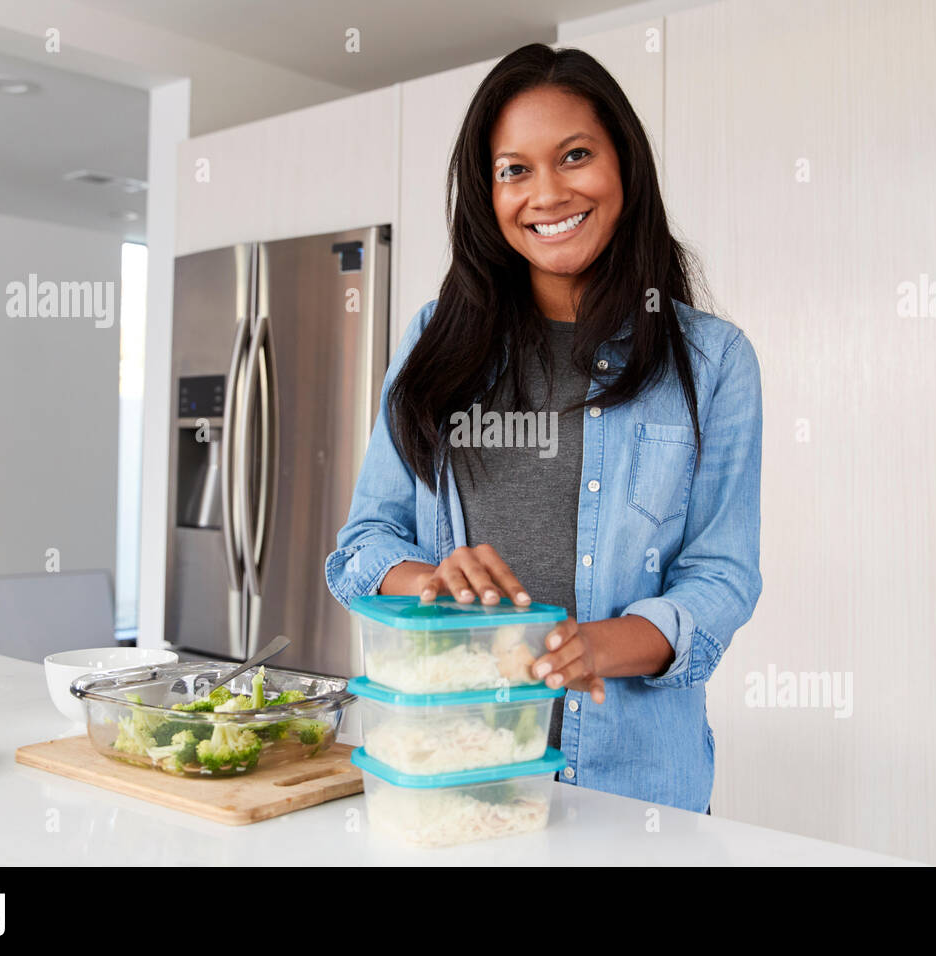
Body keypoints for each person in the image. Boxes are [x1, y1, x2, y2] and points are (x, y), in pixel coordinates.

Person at [325, 42, 762, 814]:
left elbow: (722, 576)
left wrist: (594, 645)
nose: (548, 193)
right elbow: (364, 545)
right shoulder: (436, 340)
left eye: (575, 156)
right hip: (456, 772)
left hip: (634, 792)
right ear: (487, 193)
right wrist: (433, 584)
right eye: (514, 170)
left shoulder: (712, 360)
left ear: (623, 165)